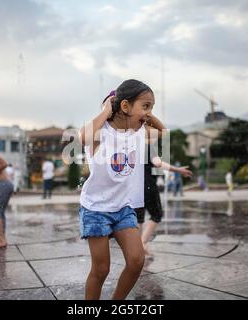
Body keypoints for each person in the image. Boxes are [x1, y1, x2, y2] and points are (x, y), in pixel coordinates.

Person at [78, 79, 161, 300]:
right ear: (124, 106)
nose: (148, 112)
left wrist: (147, 114)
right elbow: (82, 138)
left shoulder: (136, 133)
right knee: (101, 268)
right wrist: (107, 109)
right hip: (96, 208)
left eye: (151, 107)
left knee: (136, 260)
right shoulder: (100, 133)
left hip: (123, 207)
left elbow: (162, 132)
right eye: (145, 106)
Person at [136, 146, 192, 255]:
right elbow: (158, 163)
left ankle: (138, 246)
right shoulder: (147, 147)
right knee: (157, 214)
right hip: (148, 187)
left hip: (135, 188)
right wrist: (178, 169)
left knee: (139, 217)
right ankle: (142, 242)